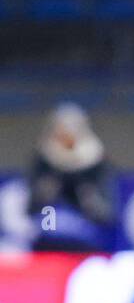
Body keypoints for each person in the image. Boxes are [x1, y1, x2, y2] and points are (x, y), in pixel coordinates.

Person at [26, 102, 116, 251]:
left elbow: (108, 213)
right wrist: (44, 193)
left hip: (87, 245)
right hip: (47, 245)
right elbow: (30, 209)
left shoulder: (96, 163)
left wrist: (89, 198)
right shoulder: (43, 161)